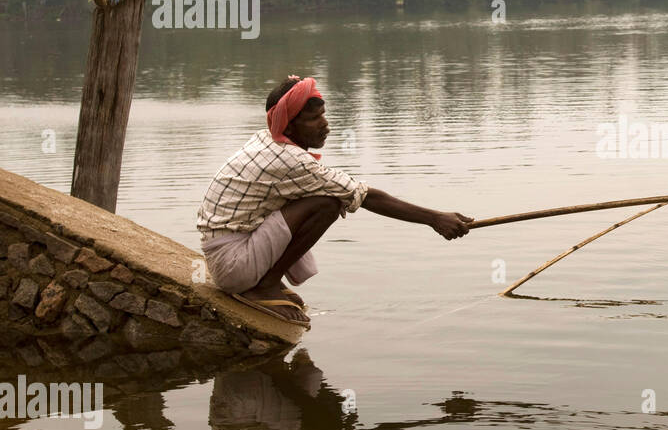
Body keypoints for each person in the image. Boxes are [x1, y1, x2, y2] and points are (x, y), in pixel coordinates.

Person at [196, 75, 472, 325]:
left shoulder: (268, 140)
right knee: (328, 202)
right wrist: (435, 219)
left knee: (321, 194)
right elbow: (364, 196)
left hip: (231, 253)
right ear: (288, 125)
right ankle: (264, 285)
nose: (325, 124)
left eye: (323, 115)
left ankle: (266, 281)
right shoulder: (291, 160)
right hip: (233, 266)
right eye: (313, 118)